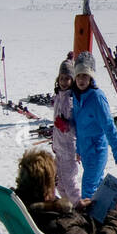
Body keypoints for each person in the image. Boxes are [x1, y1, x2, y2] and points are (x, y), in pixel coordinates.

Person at [70, 52, 117, 200]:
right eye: (79, 75)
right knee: (98, 186)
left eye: (85, 76)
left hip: (97, 151)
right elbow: (80, 128)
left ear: (91, 77)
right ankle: (109, 210)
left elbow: (109, 126)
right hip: (86, 151)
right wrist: (79, 149)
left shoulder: (96, 97)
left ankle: (89, 220)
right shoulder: (76, 96)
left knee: (88, 188)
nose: (82, 80)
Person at [50, 57, 81, 204]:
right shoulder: (59, 96)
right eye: (61, 78)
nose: (63, 82)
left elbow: (77, 125)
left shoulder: (71, 99)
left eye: (67, 79)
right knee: (59, 183)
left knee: (70, 183)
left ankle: (79, 206)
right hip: (59, 147)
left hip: (69, 149)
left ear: (72, 80)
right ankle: (66, 205)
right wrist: (54, 142)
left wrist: (67, 126)